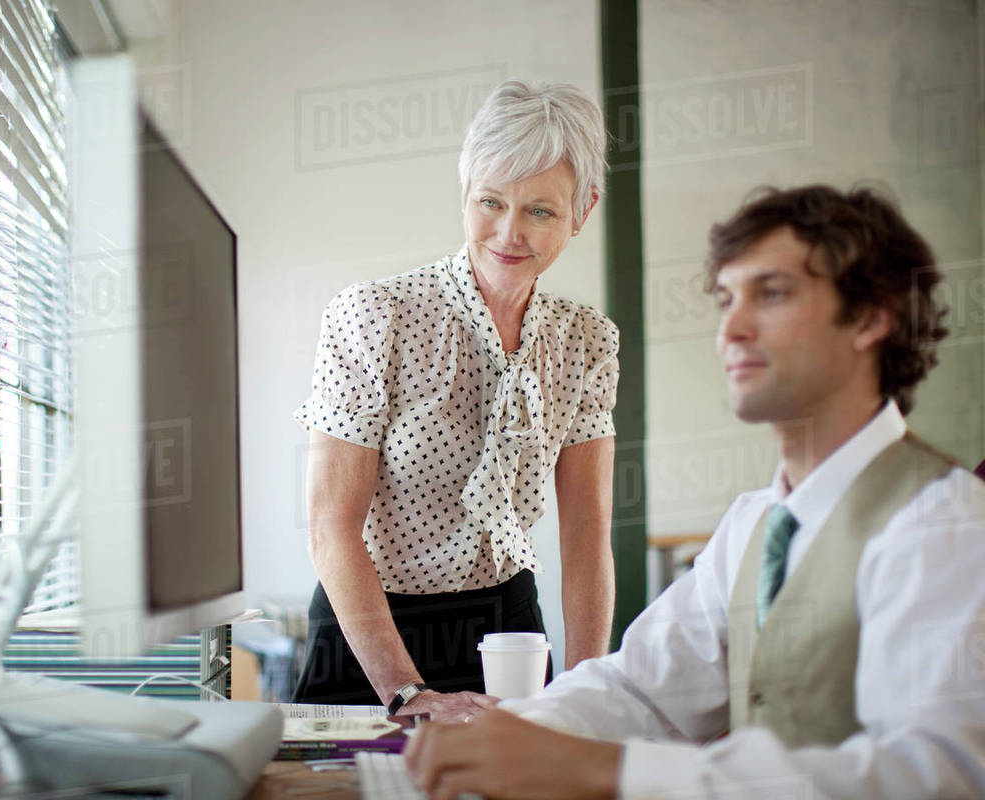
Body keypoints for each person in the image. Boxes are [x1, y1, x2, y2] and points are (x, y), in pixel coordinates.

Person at [405, 185, 985, 799]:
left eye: (773, 294)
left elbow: (935, 777)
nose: (730, 328)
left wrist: (610, 772)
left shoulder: (944, 522)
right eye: (727, 299)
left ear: (871, 317)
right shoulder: (754, 523)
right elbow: (639, 689)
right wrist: (495, 736)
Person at [291, 79, 619, 719]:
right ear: (465, 194)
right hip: (371, 631)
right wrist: (408, 691)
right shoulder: (375, 315)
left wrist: (586, 697)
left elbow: (587, 533)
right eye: (490, 202)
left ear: (583, 212)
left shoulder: (587, 340)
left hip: (509, 623)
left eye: (541, 211)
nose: (509, 232)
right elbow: (331, 527)